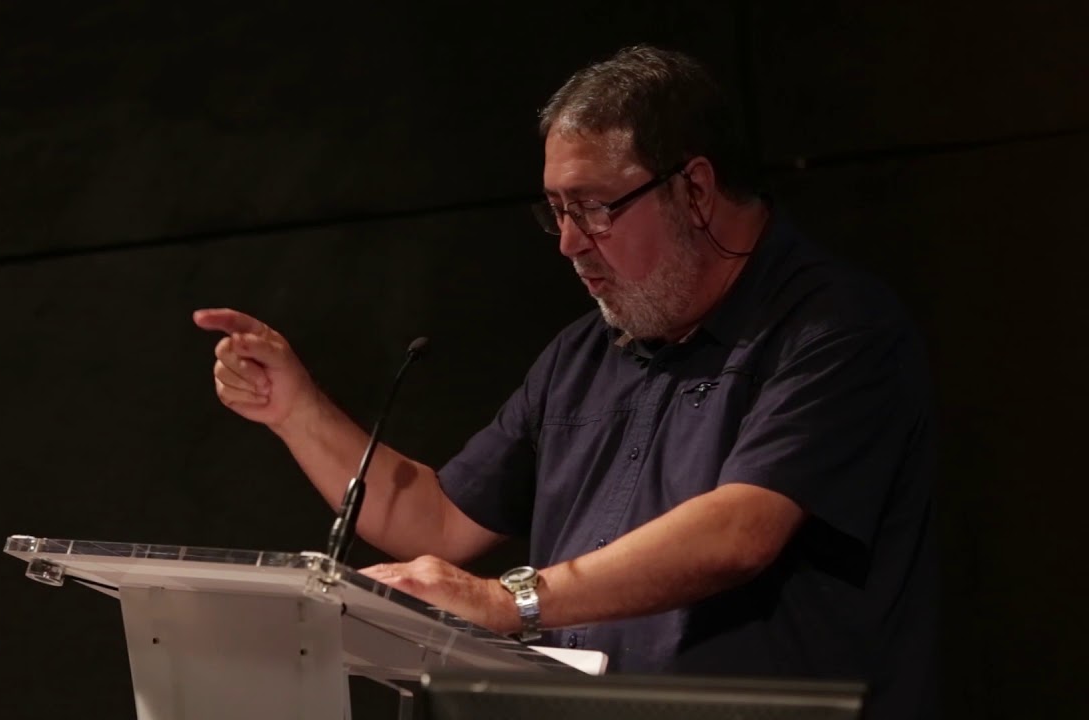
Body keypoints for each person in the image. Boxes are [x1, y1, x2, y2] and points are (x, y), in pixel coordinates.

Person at [194, 45, 937, 720]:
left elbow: (740, 531)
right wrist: (296, 410)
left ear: (697, 190)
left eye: (593, 208)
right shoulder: (582, 354)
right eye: (555, 212)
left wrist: (508, 599)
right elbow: (438, 520)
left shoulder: (837, 329)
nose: (570, 243)